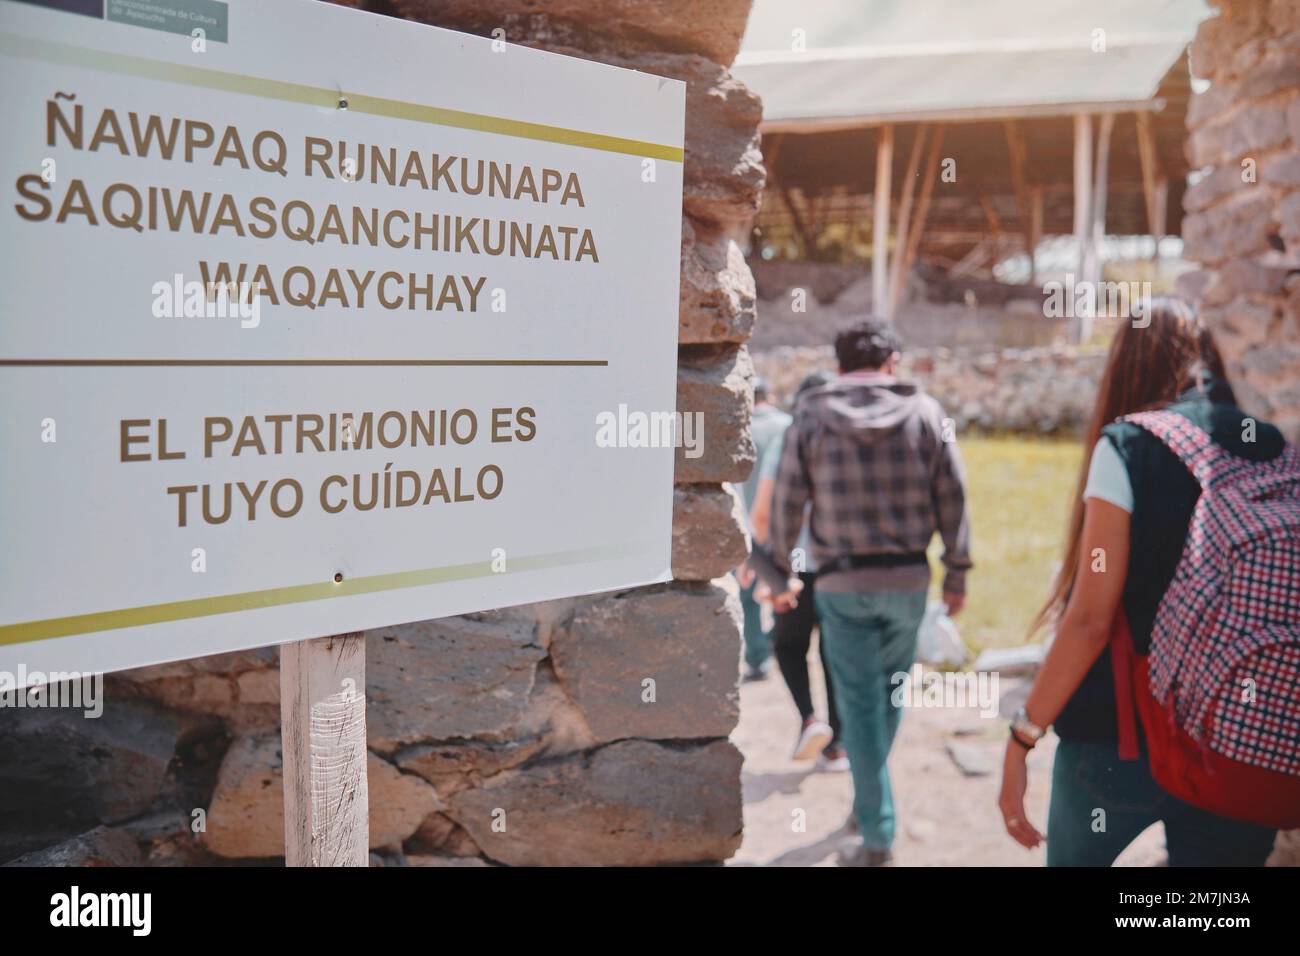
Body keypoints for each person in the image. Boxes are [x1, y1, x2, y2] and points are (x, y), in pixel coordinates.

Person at [997, 296, 1280, 866]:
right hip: (1241, 740)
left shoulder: (1129, 447)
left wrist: (1022, 738)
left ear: (1128, 363)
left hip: (1118, 736)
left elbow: (1090, 619)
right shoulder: (1270, 445)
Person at [770, 317, 971, 866]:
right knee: (886, 697)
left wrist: (777, 574)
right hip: (908, 580)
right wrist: (957, 573)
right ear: (893, 362)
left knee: (860, 703)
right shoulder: (928, 413)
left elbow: (787, 501)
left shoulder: (811, 415)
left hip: (840, 583)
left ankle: (877, 835)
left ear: (838, 366)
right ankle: (871, 804)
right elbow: (954, 496)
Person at [750, 369, 846, 770]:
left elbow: (761, 512)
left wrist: (764, 564)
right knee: (834, 652)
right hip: (843, 564)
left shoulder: (793, 433)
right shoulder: (849, 436)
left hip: (796, 564)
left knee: (789, 646)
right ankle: (838, 744)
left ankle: (810, 718)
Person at [735, 377, 792, 682]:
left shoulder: (738, 428)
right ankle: (784, 643)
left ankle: (757, 658)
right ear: (769, 396)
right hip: (786, 526)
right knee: (791, 588)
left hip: (747, 524)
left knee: (748, 594)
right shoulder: (789, 424)